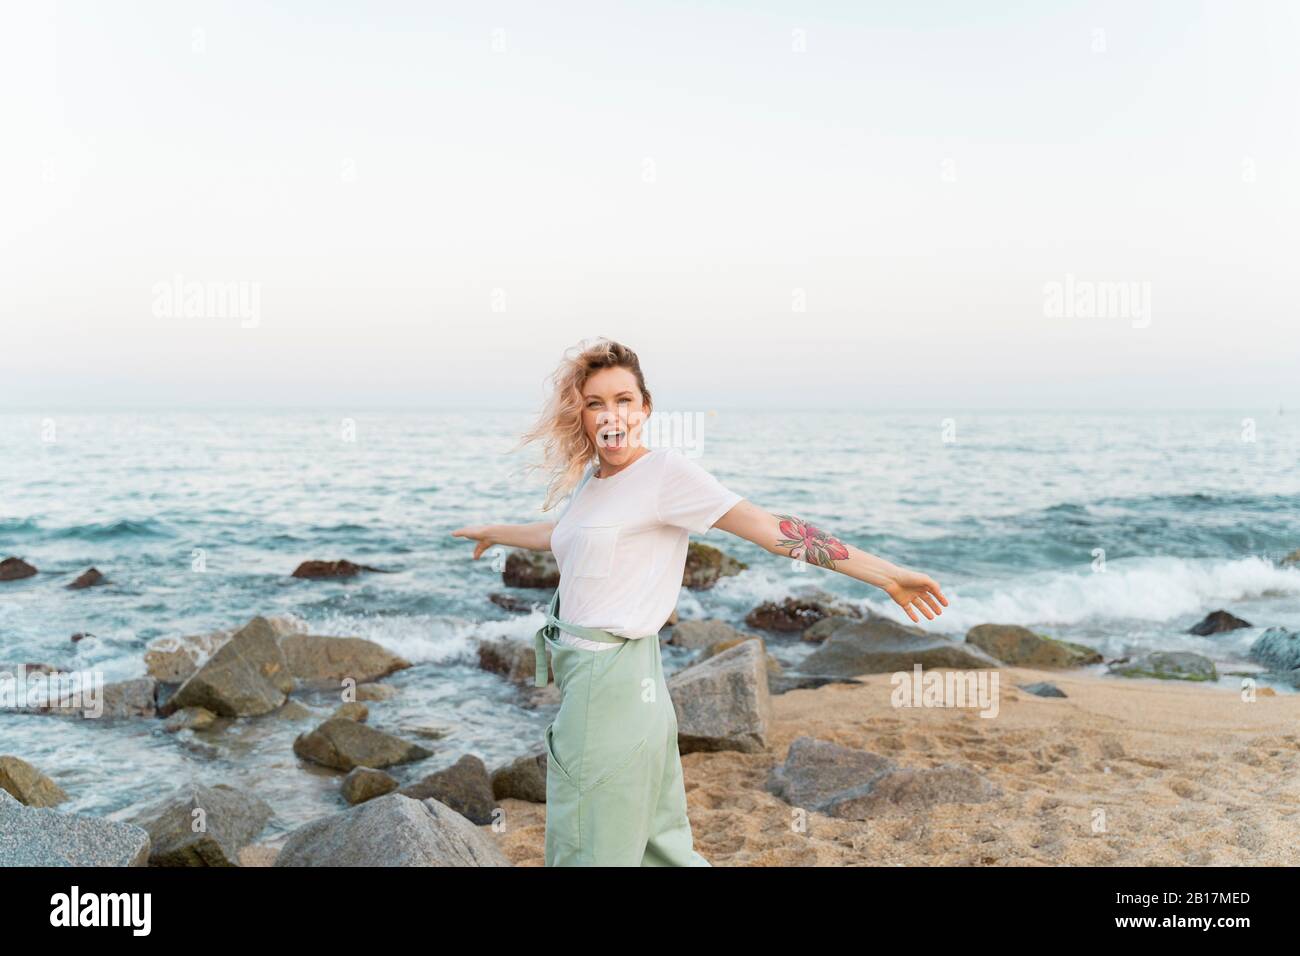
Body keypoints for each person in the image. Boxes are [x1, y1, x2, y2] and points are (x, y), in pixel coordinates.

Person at [451, 337, 947, 866]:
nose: (610, 415)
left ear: (645, 408)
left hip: (611, 685)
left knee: (586, 844)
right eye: (595, 403)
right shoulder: (596, 481)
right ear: (581, 414)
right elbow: (565, 533)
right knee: (659, 847)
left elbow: (767, 527)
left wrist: (885, 574)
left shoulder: (665, 475)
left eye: (623, 400)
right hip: (620, 678)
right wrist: (498, 531)